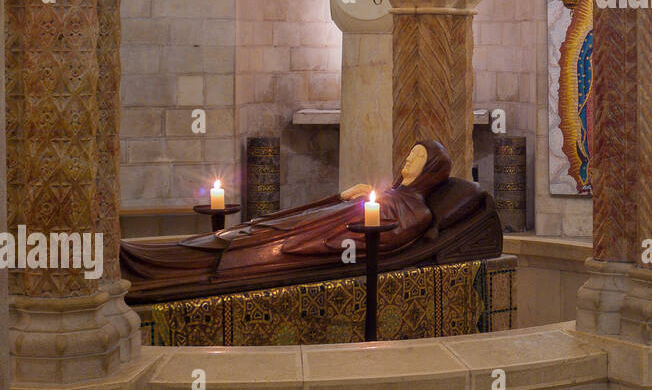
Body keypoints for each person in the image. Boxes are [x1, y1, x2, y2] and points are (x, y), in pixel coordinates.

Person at [120, 140, 502, 304]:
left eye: (417, 158)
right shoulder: (393, 196)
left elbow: (368, 242)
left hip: (302, 248)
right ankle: (142, 261)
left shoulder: (414, 210)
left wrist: (306, 238)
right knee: (236, 235)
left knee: (229, 249)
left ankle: (146, 267)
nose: (406, 162)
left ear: (432, 169)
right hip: (302, 232)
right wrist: (340, 200)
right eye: (409, 154)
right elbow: (342, 218)